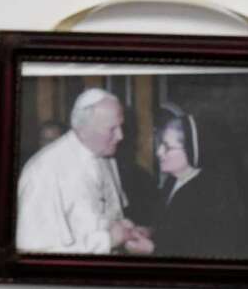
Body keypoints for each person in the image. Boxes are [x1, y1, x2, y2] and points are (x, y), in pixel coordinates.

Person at [16, 88, 153, 254]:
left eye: (121, 127)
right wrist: (107, 240)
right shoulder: (43, 171)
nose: (120, 136)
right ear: (83, 129)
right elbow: (32, 253)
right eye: (112, 129)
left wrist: (128, 231)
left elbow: (110, 214)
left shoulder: (105, 154)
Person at [145, 108, 248, 259]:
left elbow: (206, 253)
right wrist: (150, 232)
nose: (158, 152)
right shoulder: (173, 181)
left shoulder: (212, 194)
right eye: (160, 144)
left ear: (191, 150)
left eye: (167, 146)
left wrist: (153, 250)